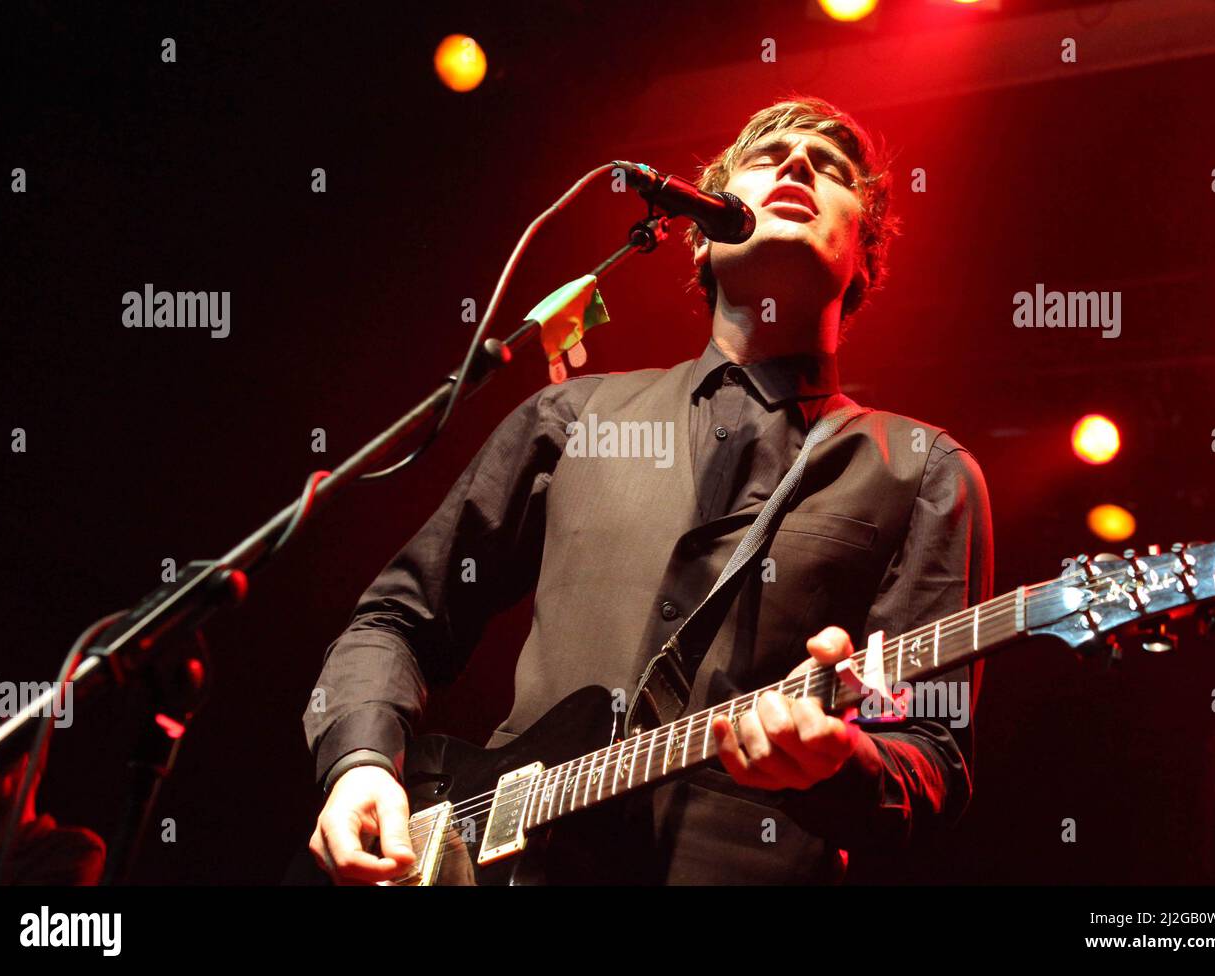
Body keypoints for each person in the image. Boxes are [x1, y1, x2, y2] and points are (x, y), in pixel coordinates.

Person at [303, 95, 993, 884]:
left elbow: (932, 758)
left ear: (865, 257)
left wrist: (842, 763)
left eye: (830, 169)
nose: (798, 164)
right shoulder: (574, 416)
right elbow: (397, 618)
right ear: (699, 235)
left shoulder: (924, 470)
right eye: (766, 158)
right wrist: (360, 763)